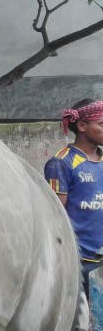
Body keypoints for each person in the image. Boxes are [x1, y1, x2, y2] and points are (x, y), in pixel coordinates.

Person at [45, 98, 103, 330]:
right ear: (82, 126)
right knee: (81, 324)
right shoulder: (61, 163)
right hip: (79, 263)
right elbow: (55, 217)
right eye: (102, 124)